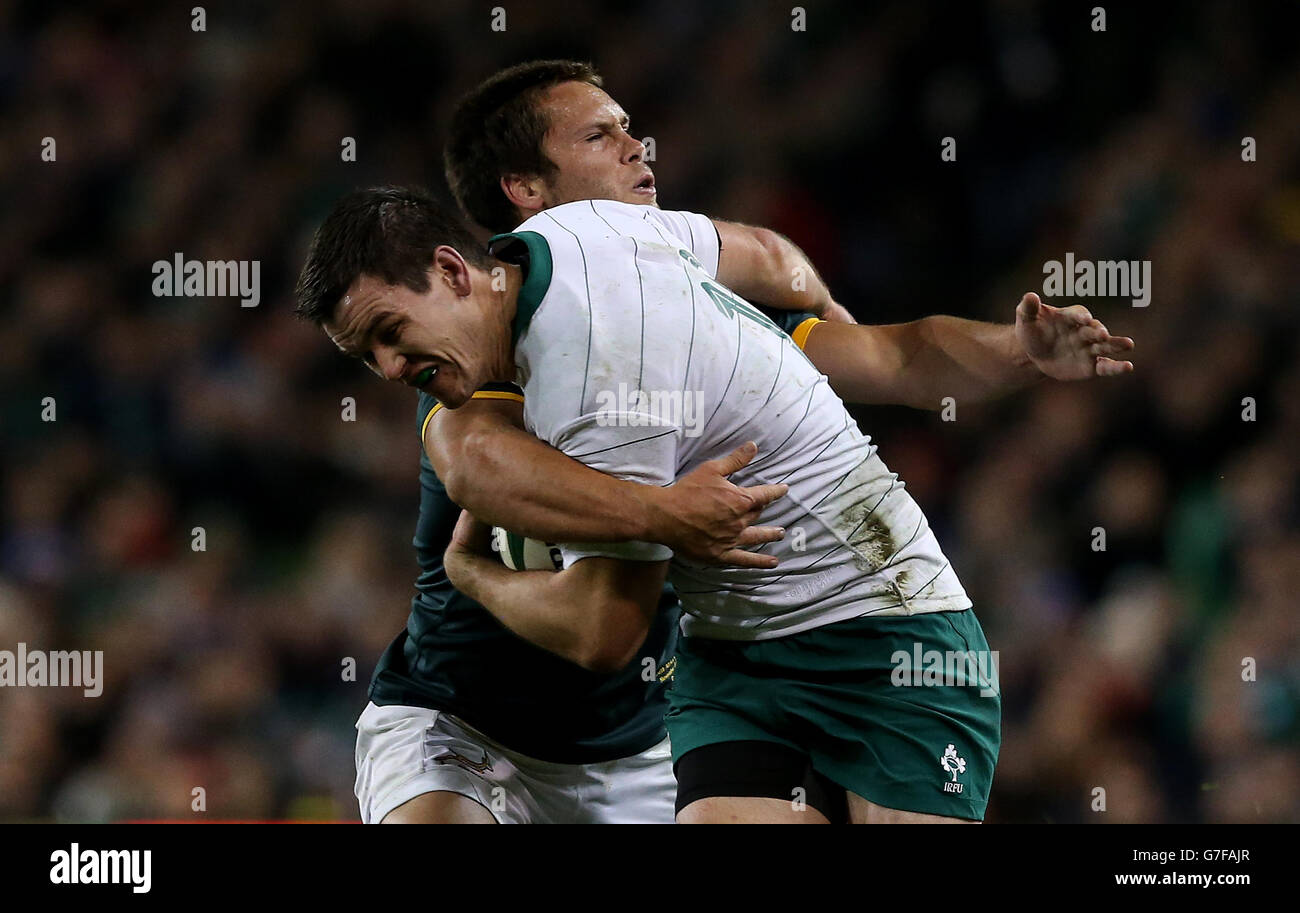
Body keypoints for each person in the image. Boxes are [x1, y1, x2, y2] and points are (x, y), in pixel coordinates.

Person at [294, 175, 1134, 822]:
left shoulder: (623, 335)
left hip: (885, 628)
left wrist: (1012, 351)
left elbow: (857, 324)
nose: (390, 367)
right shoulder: (523, 350)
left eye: (390, 334)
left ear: (456, 266)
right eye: (366, 353)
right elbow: (489, 479)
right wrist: (658, 515)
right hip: (691, 669)